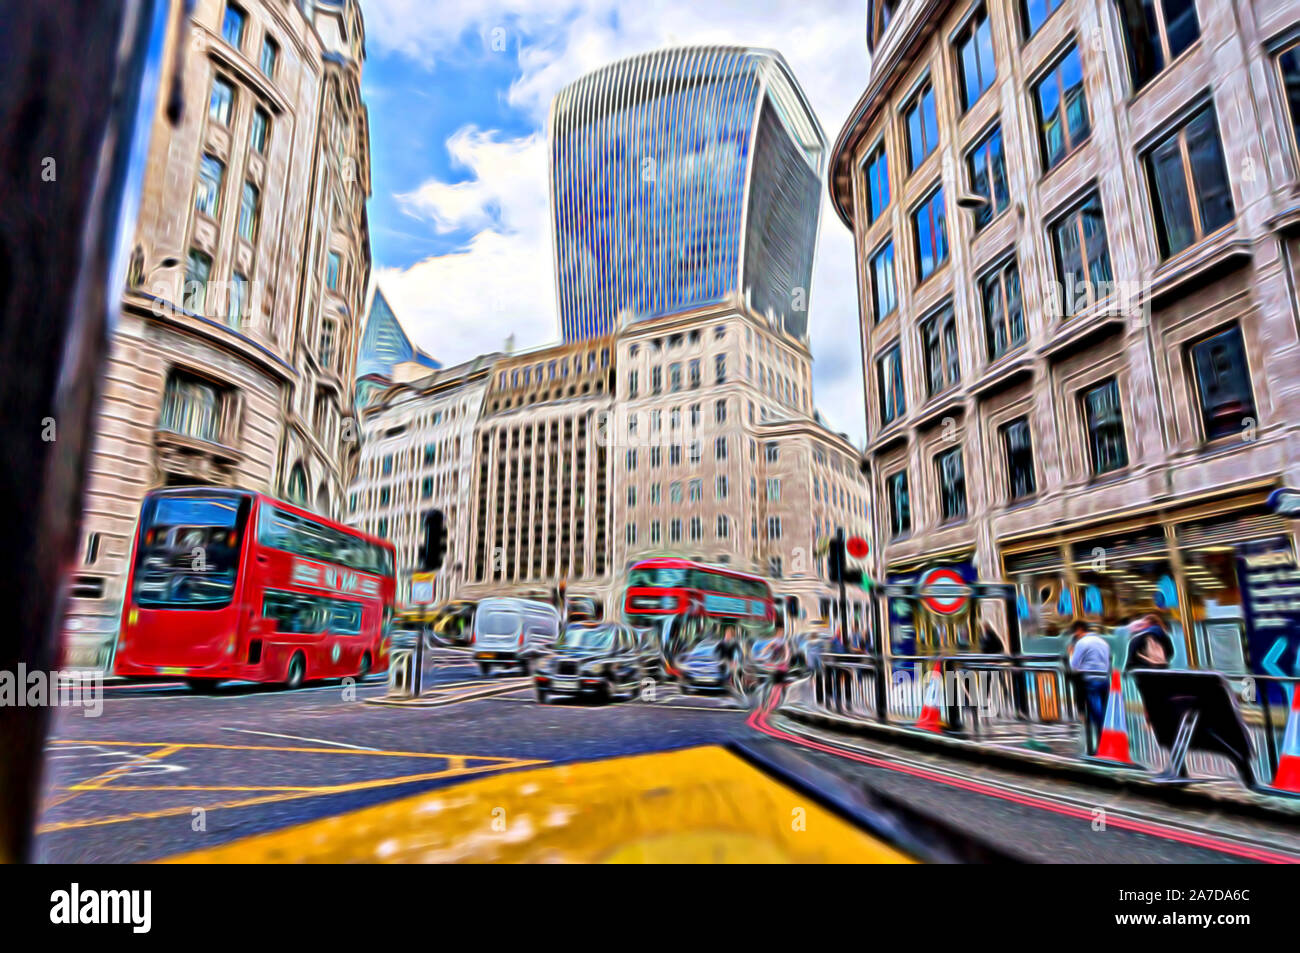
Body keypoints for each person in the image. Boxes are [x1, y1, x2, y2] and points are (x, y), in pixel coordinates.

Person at [1068, 619, 1111, 755]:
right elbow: (1108, 661)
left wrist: (1070, 653)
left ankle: (1099, 746)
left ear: (1079, 630)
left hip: (1090, 680)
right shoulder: (1103, 642)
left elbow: (1074, 665)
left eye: (1075, 632)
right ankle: (1103, 742)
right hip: (1104, 679)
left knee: (1096, 714)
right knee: (1104, 713)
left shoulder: (1081, 643)